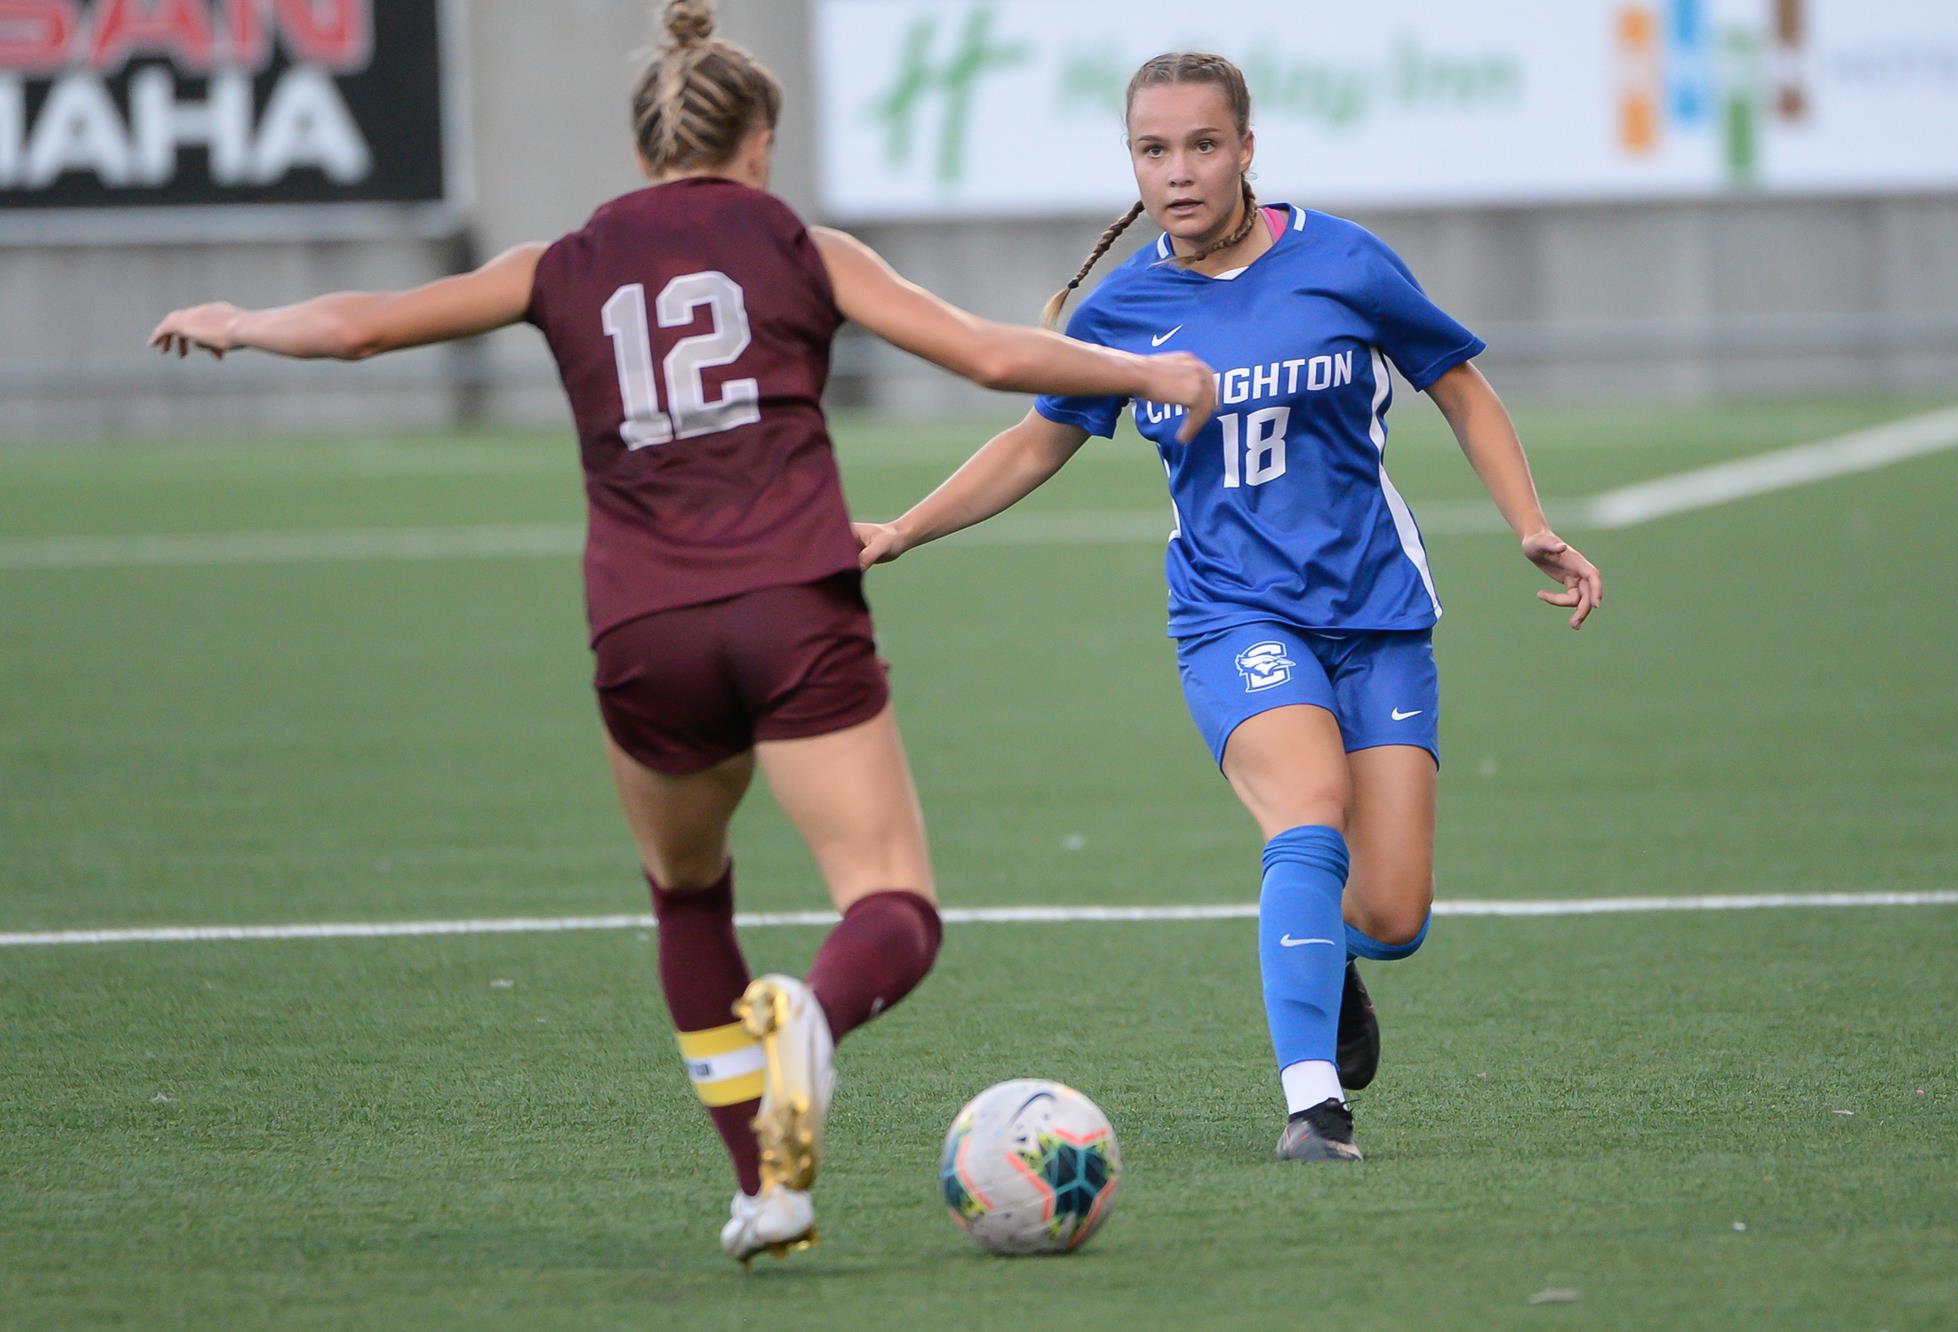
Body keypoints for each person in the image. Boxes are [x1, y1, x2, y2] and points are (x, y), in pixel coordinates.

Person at [147, 3, 1216, 1261]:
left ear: (645, 142)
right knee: (891, 906)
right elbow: (985, 358)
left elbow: (364, 325)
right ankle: (813, 1017)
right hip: (790, 606)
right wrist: (1152, 373)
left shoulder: (562, 260)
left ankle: (769, 1192)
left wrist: (241, 321)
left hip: (643, 630)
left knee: (687, 897)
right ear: (758, 137)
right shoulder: (797, 244)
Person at [853, 51, 1603, 1164]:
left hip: (1376, 613)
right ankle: (1313, 1106)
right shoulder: (1125, 310)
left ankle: (1325, 953)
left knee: (1390, 914)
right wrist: (903, 529)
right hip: (1231, 615)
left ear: (1246, 149)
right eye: (1152, 151)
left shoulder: (1342, 261)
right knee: (1306, 816)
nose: (1179, 171)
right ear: (1132, 166)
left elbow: (1457, 380)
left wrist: (1526, 519)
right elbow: (1034, 439)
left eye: (1202, 145)